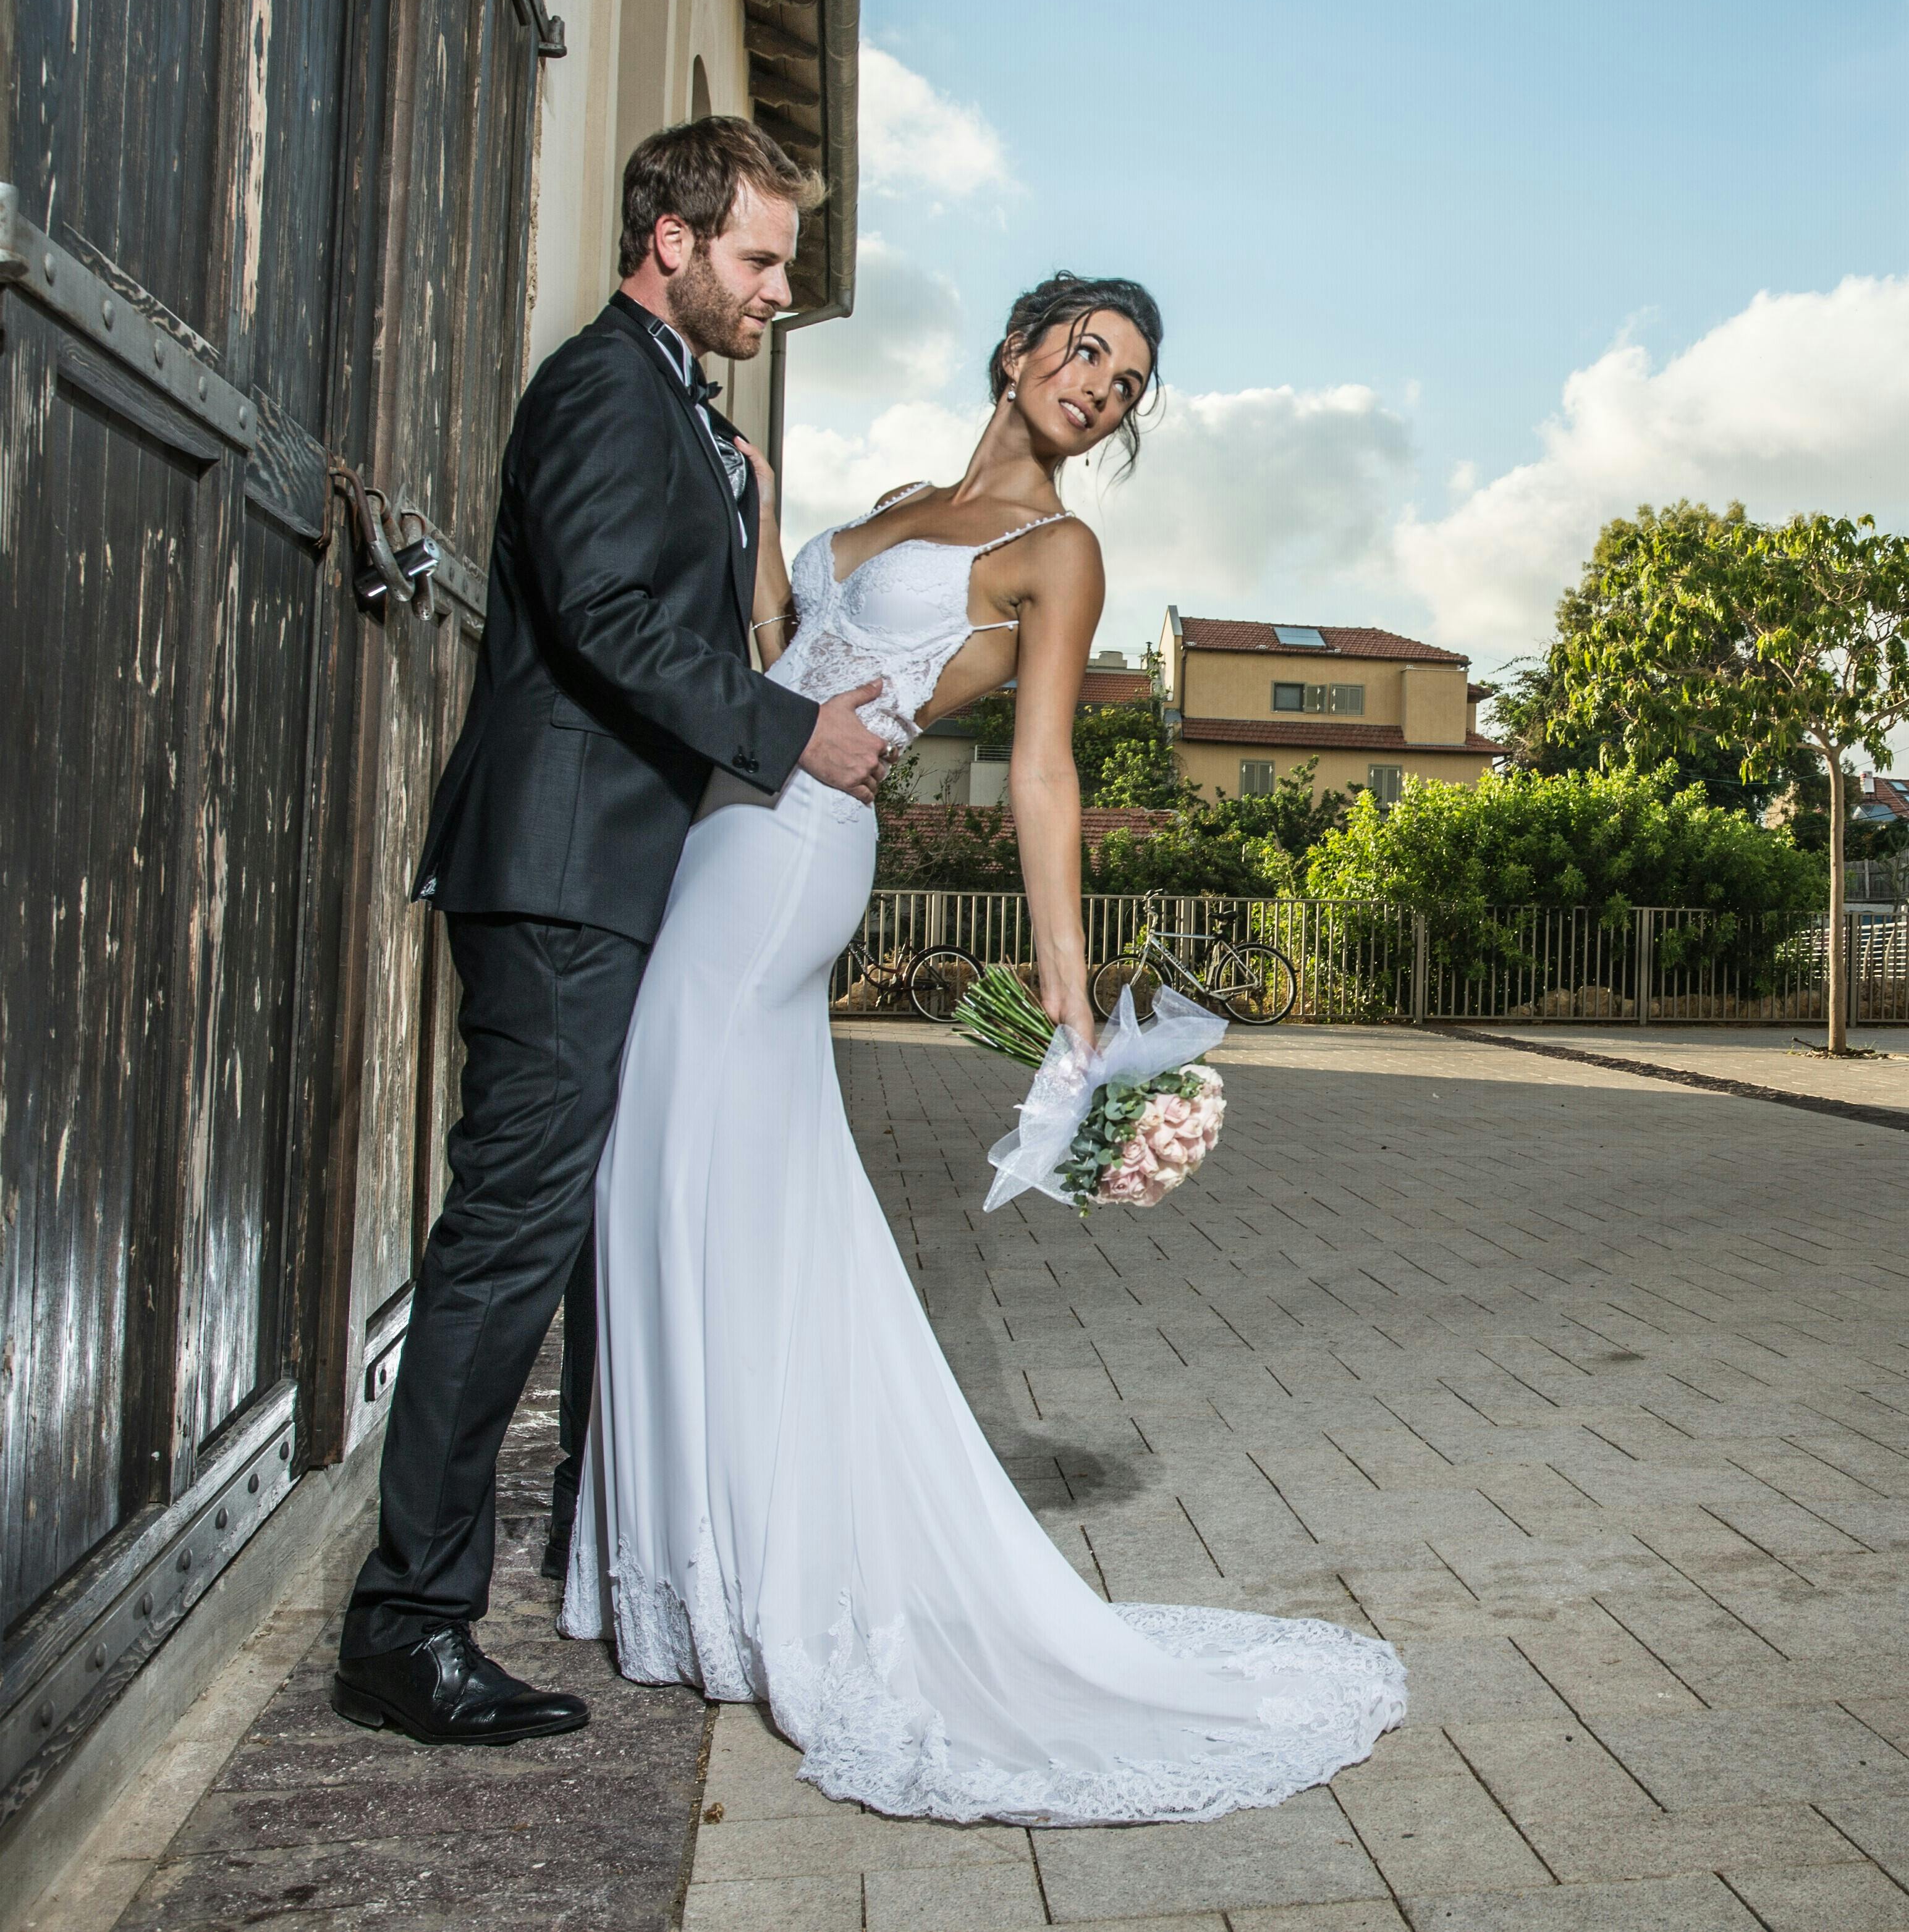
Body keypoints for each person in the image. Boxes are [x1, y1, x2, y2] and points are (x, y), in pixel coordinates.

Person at [562, 274, 1408, 1822]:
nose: (1102, 386)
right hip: (724, 823)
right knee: (715, 1184)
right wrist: (767, 519)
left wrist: (1072, 993)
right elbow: (782, 656)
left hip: (795, 853)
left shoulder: (1057, 551)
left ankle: (730, 1569)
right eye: (1086, 350)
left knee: (673, 1167)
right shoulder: (904, 503)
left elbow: (1042, 774)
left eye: (1129, 381)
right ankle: (709, 1558)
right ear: (1018, 351)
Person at [333, 118, 893, 1747]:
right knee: (512, 1228)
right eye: (760, 259)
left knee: (583, 1220)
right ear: (671, 239)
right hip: (562, 872)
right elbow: (600, 616)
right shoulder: (597, 386)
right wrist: (793, 736)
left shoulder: (684, 409)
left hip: (620, 876)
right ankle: (405, 1626)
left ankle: (593, 1535)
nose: (777, 290)